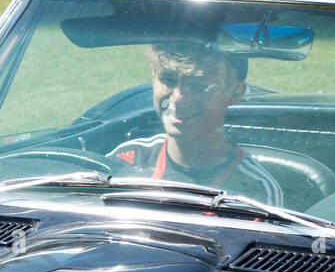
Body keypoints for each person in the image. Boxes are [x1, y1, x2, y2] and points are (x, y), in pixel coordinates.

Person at [108, 42, 285, 205]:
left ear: (235, 92)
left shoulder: (256, 189)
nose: (178, 98)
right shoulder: (126, 160)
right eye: (168, 80)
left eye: (198, 86)